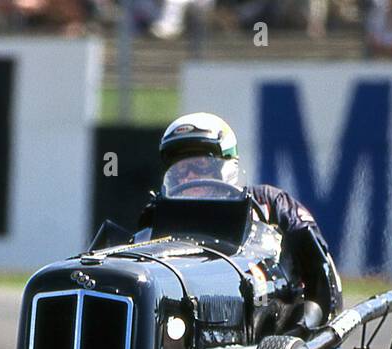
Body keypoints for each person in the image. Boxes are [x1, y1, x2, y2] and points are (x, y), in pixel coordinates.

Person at [141, 113, 343, 325]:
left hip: (271, 325)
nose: (190, 176)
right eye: (181, 168)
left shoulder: (270, 204)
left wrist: (305, 327)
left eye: (201, 165)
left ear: (226, 165)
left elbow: (318, 264)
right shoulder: (155, 214)